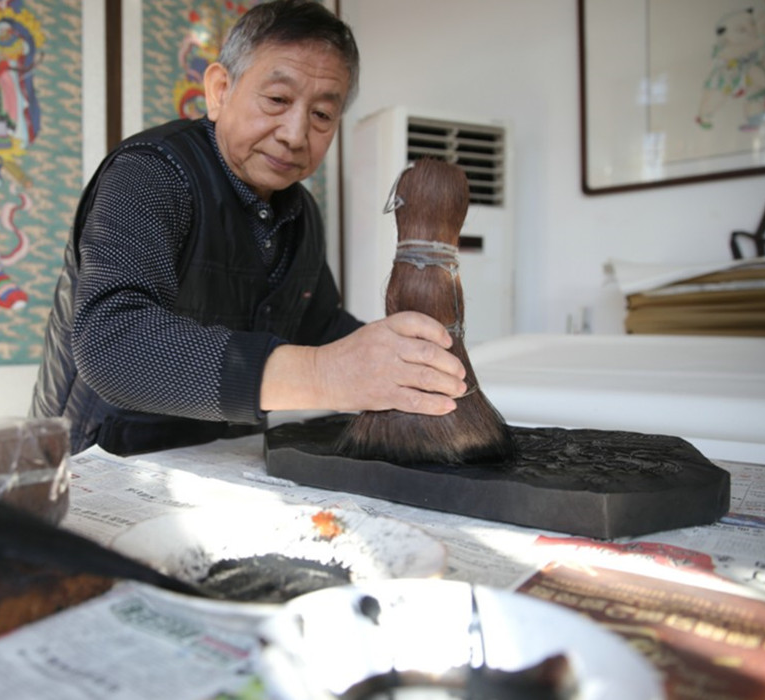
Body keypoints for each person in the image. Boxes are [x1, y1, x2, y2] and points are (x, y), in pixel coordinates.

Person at [30, 0, 467, 456]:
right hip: (97, 461)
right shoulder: (151, 173)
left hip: (217, 461)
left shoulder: (300, 213)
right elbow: (114, 344)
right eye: (277, 100)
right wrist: (324, 374)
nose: (295, 134)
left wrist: (406, 361)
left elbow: (319, 329)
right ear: (220, 90)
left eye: (321, 115)